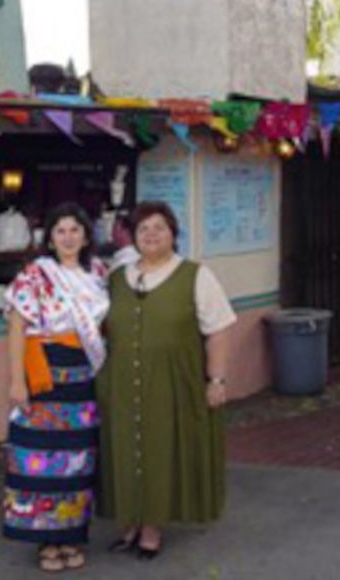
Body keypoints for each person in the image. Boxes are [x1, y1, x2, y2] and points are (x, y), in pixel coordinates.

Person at [97, 200, 236, 560]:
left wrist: (216, 379)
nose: (151, 235)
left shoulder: (195, 275)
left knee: (162, 449)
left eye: (159, 228)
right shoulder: (116, 278)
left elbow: (218, 330)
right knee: (124, 449)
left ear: (173, 233)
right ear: (133, 237)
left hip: (175, 380)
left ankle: (152, 529)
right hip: (122, 381)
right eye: (143, 229)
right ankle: (128, 523)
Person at [2, 202, 109, 573]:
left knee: (77, 461)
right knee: (42, 462)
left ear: (85, 235)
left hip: (83, 378)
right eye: (60, 231)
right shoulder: (34, 275)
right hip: (44, 375)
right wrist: (18, 380)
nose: (68, 237)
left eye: (75, 230)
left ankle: (73, 534)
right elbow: (17, 327)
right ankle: (47, 540)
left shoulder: (98, 273)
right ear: (49, 237)